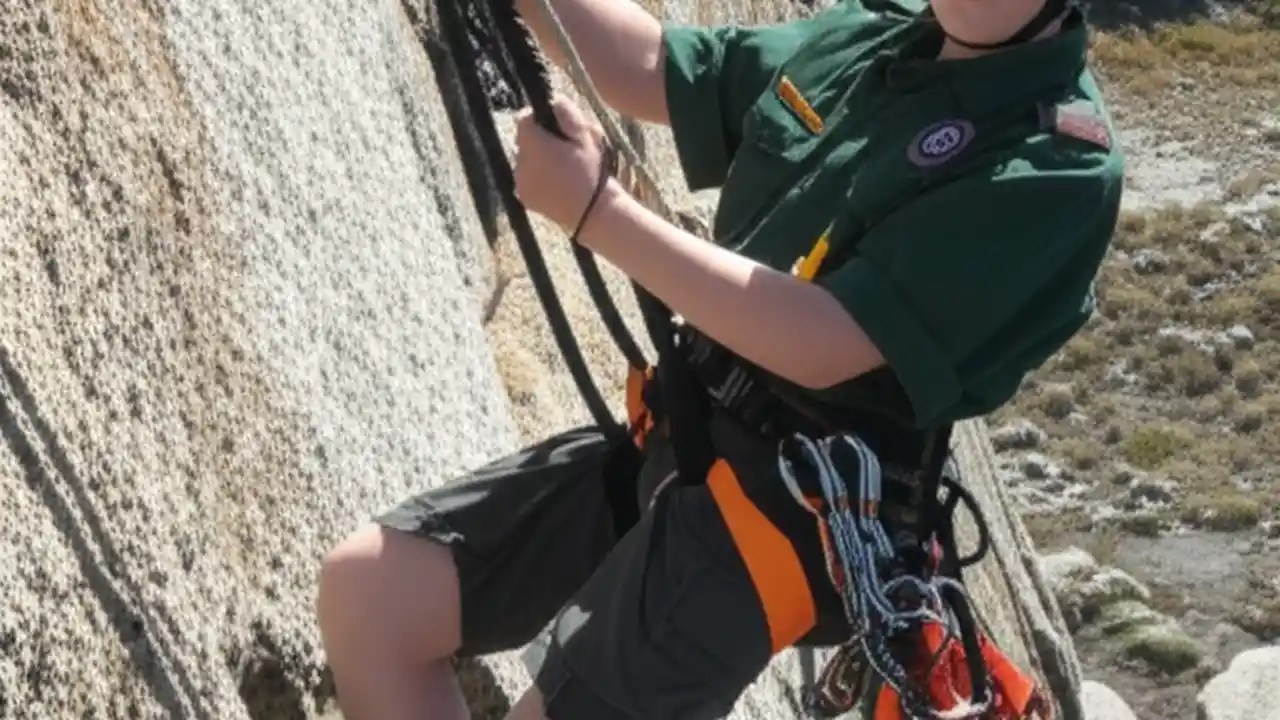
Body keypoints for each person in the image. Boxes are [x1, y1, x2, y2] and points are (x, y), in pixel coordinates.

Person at [315, 0, 1124, 717]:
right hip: (689, 438)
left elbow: (821, 339)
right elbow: (660, 66)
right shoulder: (876, 37)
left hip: (786, 515)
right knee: (373, 598)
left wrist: (600, 213)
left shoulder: (1056, 165)